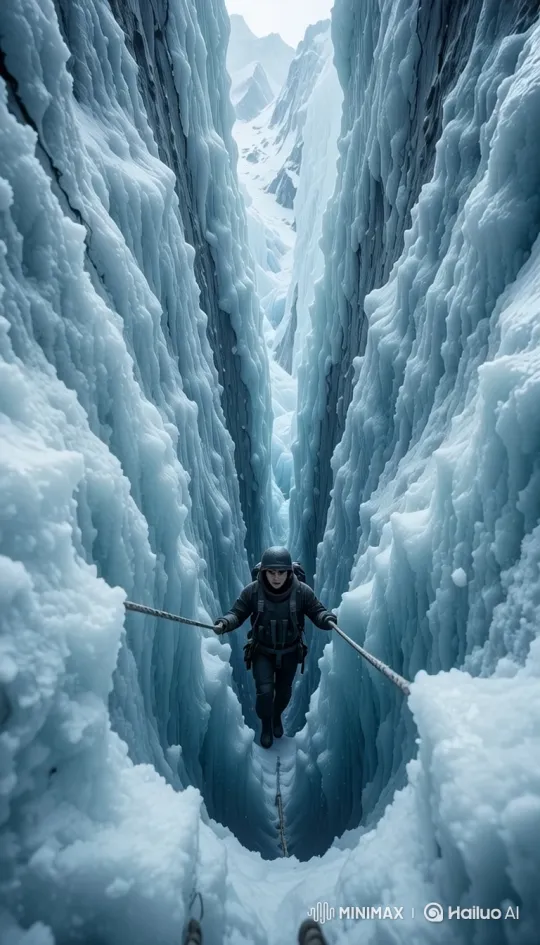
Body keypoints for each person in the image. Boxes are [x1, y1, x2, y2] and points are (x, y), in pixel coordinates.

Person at [214, 547, 336, 748]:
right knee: (265, 692)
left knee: (284, 692)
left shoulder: (302, 592)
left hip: (290, 652)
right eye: (271, 572)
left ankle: (277, 714)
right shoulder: (252, 591)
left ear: (289, 572)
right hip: (262, 651)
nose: (276, 577)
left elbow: (317, 612)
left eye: (281, 572)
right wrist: (224, 623)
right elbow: (237, 612)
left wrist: (327, 619)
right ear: (264, 572)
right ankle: (266, 725)